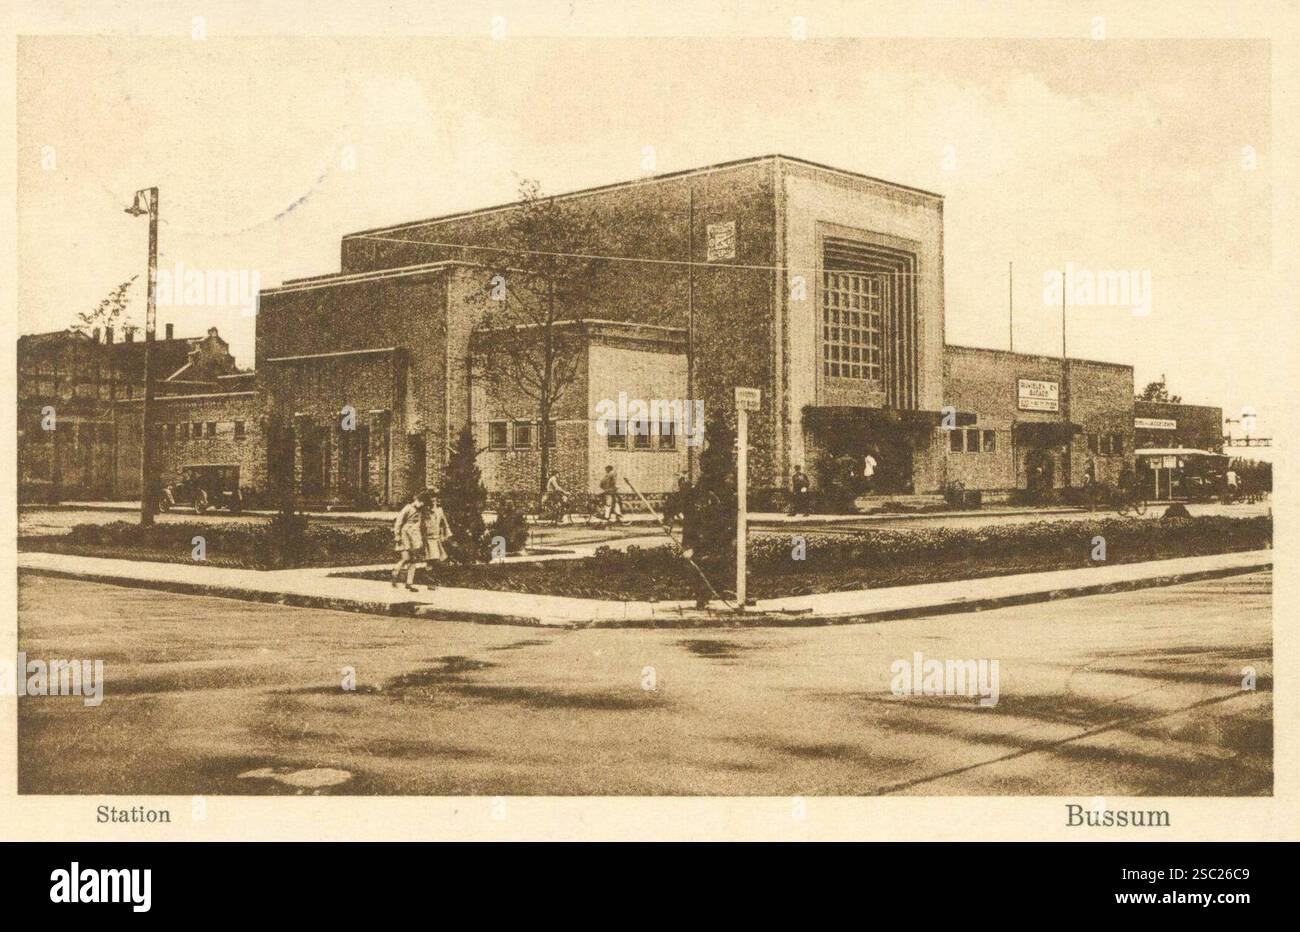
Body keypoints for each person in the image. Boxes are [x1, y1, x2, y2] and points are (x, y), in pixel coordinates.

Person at [391, 490, 450, 591]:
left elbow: (428, 520)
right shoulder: (408, 508)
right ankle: (396, 571)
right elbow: (398, 522)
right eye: (422, 502)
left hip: (415, 537)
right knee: (406, 558)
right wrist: (397, 535)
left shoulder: (422, 510)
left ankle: (409, 583)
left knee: (413, 559)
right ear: (418, 500)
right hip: (406, 536)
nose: (422, 505)